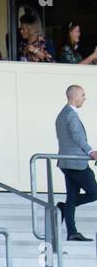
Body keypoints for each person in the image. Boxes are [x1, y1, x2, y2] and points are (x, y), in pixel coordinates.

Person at [56, 84, 97, 242]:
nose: (84, 98)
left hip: (66, 163)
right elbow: (77, 137)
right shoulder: (71, 115)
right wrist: (90, 151)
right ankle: (63, 208)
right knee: (94, 192)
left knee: (72, 197)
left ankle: (71, 231)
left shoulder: (62, 114)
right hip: (75, 163)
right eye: (82, 95)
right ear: (74, 96)